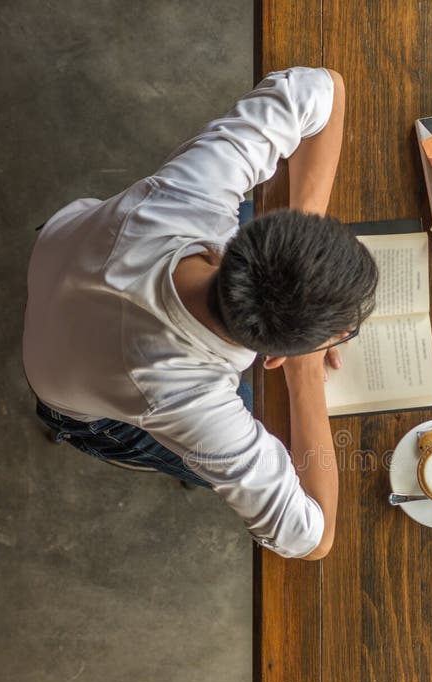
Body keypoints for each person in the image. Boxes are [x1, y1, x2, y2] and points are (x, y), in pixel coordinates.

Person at [23, 66, 378, 560]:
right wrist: (303, 372)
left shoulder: (191, 193)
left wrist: (304, 248)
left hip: (60, 249)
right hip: (73, 400)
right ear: (274, 350)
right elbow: (313, 540)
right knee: (235, 446)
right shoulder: (185, 400)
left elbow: (326, 88)